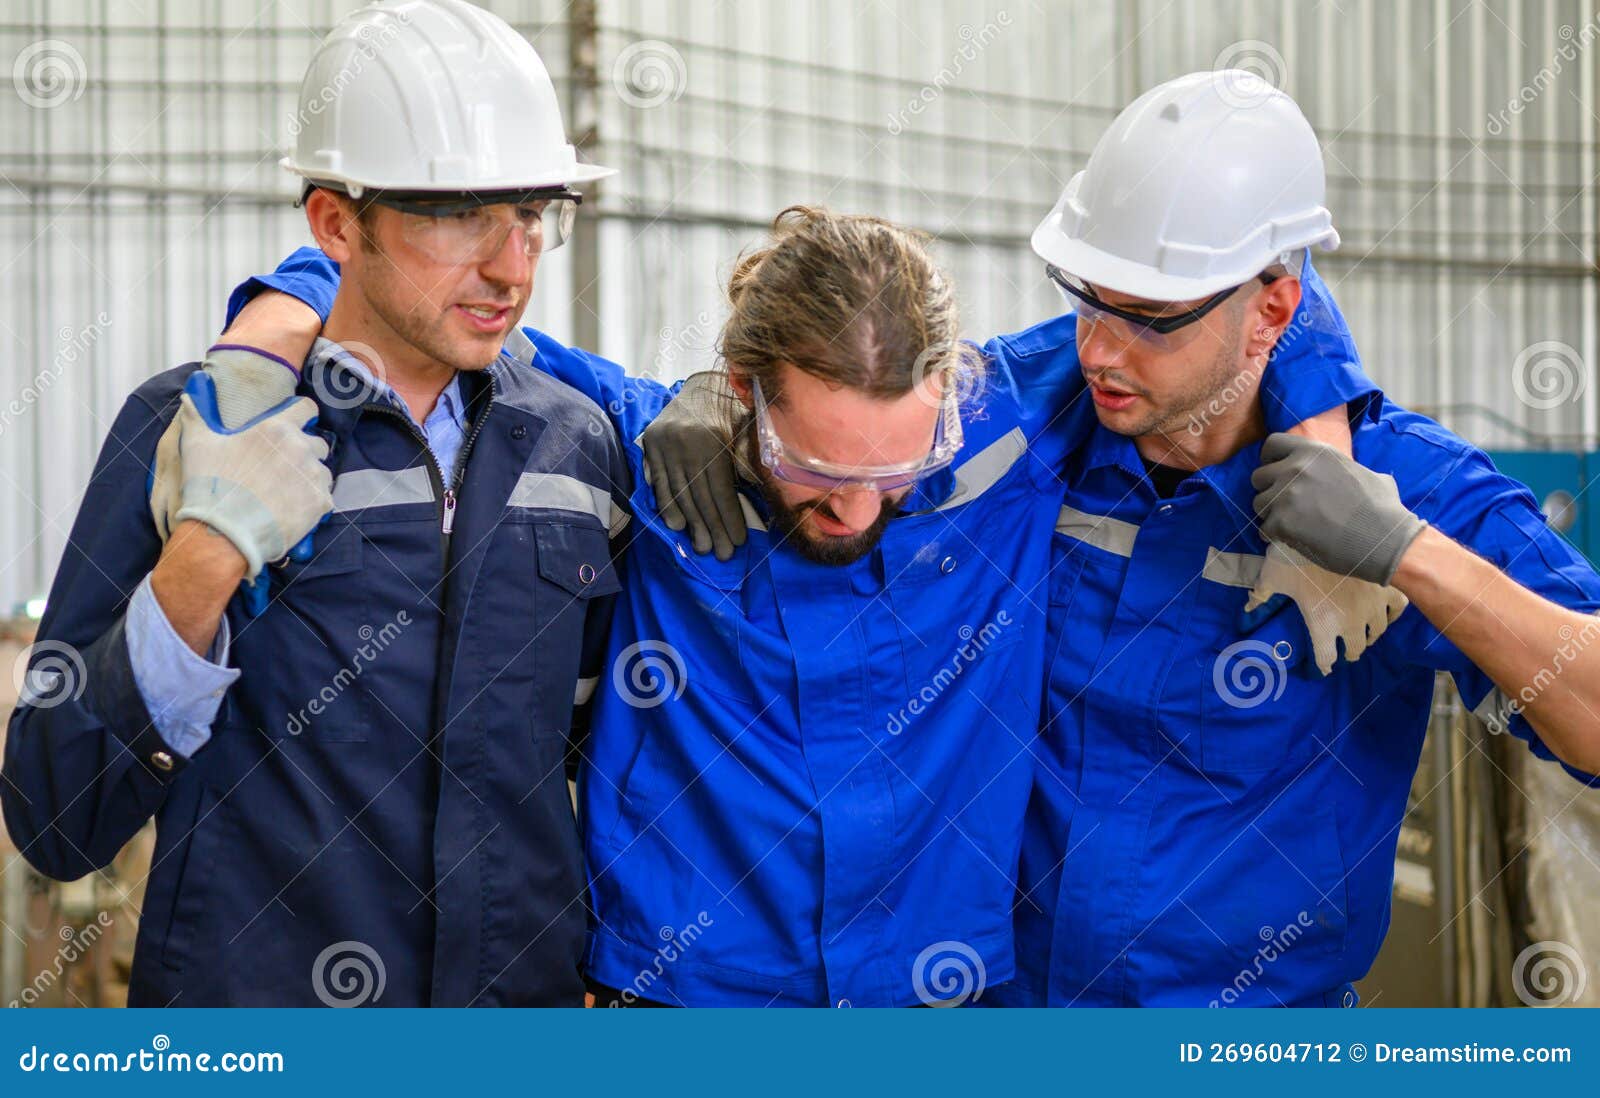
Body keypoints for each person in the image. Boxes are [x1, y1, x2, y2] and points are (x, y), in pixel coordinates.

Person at [638, 71, 1600, 1007]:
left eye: (1147, 319)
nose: (1099, 346)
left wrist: (1407, 556)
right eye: (1086, 295)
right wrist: (718, 394)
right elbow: (846, 379)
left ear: (1271, 307)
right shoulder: (1032, 413)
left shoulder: (1405, 487)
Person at [2, 0, 625, 1006]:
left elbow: (606, 764)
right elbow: (56, 814)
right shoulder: (185, 431)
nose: (512, 266)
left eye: (532, 216)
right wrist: (200, 565)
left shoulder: (575, 448)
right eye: (461, 215)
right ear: (337, 222)